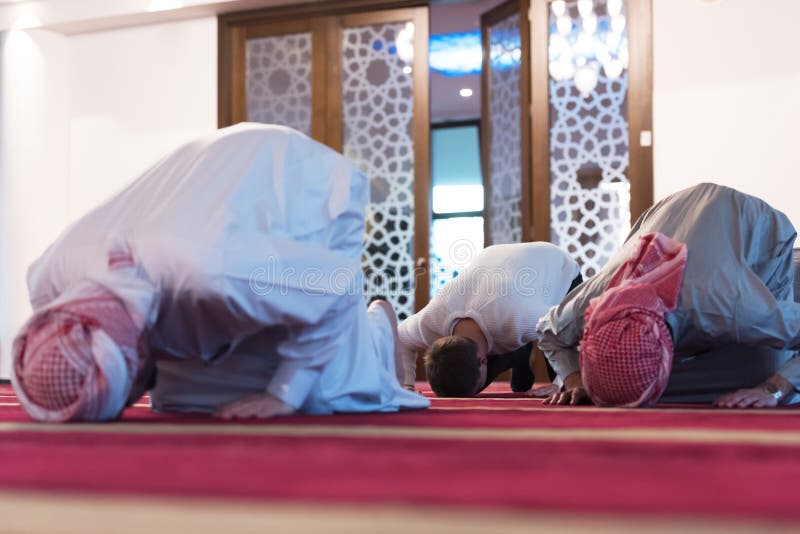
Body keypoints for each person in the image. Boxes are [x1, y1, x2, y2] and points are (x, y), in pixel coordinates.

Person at [11, 123, 429, 422]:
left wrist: (283, 393)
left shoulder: (218, 273)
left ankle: (377, 328)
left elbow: (337, 283)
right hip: (207, 209)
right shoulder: (47, 281)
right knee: (182, 400)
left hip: (296, 186)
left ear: (137, 350)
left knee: (321, 393)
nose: (130, 401)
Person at [537, 182, 800, 408]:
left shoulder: (729, 305)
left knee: (765, 371)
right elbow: (549, 331)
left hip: (758, 235)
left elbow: (773, 381)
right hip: (671, 211)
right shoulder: (597, 296)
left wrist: (773, 389)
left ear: (669, 356)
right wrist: (574, 380)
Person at [398, 242, 581, 397]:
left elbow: (561, 325)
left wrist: (561, 382)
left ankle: (518, 352)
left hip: (555, 265)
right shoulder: (432, 321)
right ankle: (518, 354)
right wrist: (407, 387)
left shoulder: (518, 317)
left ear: (483, 360)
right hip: (496, 265)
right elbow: (402, 336)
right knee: (464, 384)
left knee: (565, 388)